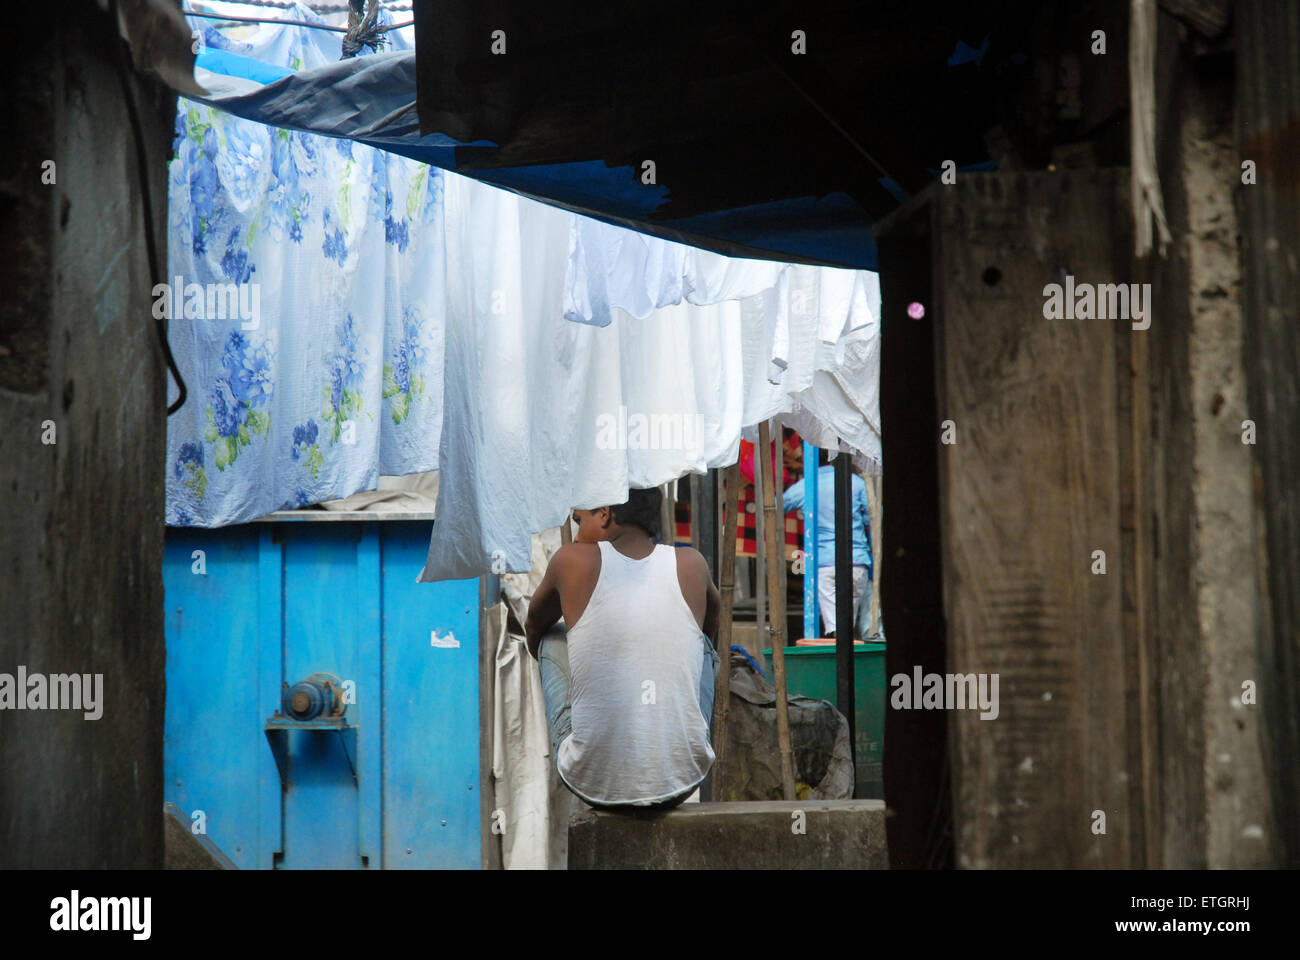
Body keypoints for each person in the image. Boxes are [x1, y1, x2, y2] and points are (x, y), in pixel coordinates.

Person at [525, 487, 722, 811]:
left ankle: (585, 739)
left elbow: (534, 628)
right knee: (702, 644)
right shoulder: (691, 563)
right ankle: (681, 740)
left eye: (579, 520)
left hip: (590, 779)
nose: (575, 535)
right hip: (684, 778)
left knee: (553, 635)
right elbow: (711, 626)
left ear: (605, 513)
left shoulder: (570, 560)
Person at [782, 457, 876, 640]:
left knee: (836, 625)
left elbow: (780, 505)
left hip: (825, 563)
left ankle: (837, 655)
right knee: (849, 619)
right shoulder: (857, 483)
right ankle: (847, 655)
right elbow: (874, 516)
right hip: (857, 561)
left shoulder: (807, 483)